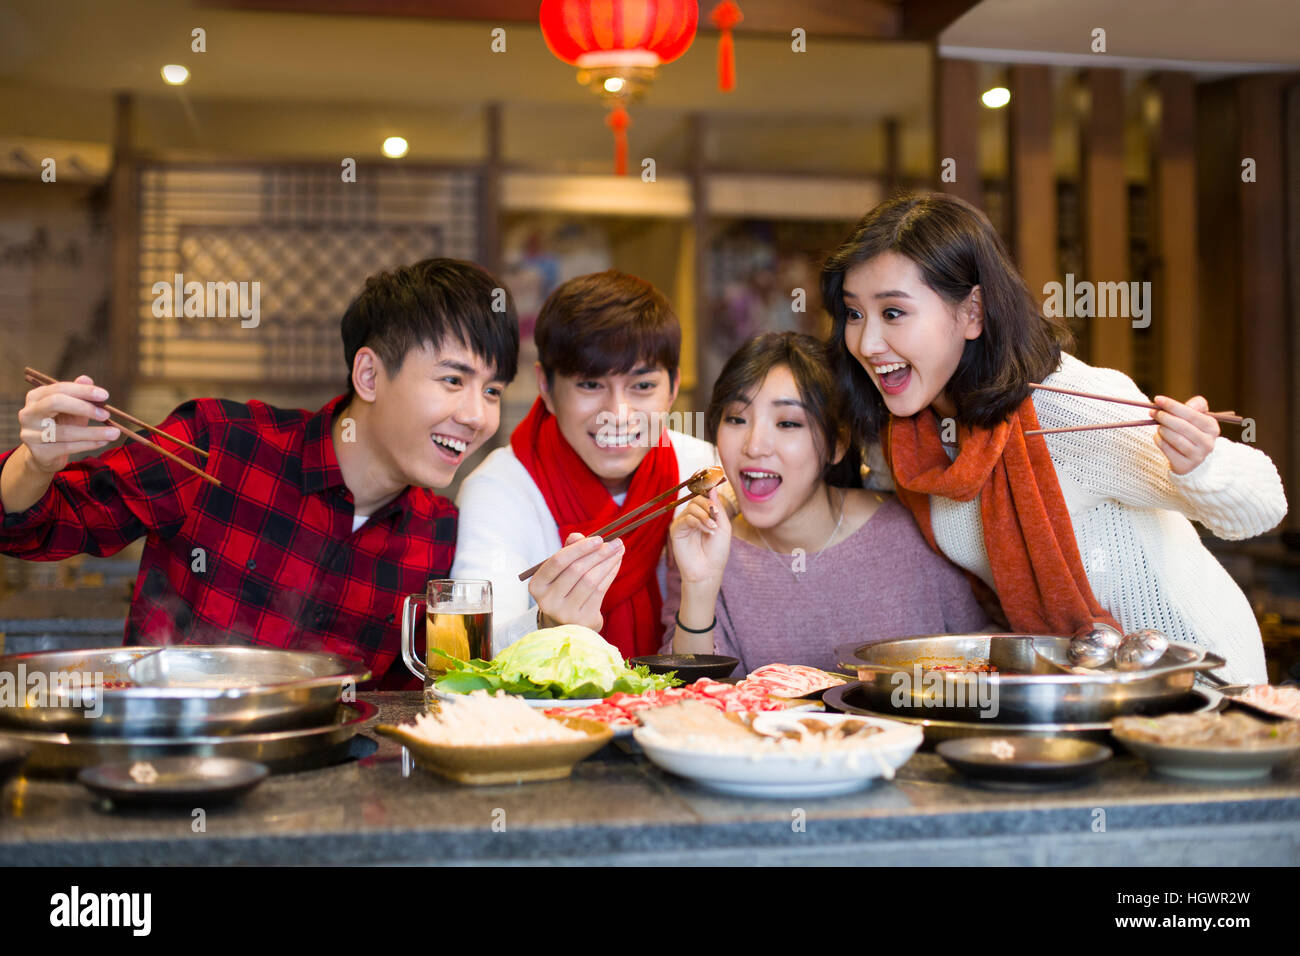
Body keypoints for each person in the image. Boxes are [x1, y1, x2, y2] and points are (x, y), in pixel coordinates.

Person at [822, 191, 1287, 685]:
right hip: (1081, 691)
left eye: (893, 312)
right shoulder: (909, 439)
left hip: (1199, 679)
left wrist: (1202, 462)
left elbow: (1265, 506)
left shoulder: (1067, 405)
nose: (867, 343)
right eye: (854, 314)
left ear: (973, 313)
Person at [0, 258, 518, 688]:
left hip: (336, 795)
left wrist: (559, 624)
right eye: (454, 379)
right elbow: (39, 526)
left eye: (493, 391)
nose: (477, 416)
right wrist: (37, 460)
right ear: (369, 375)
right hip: (173, 772)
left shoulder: (442, 533)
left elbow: (437, 700)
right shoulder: (218, 444)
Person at [662, 332, 988, 675]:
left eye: (788, 423)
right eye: (736, 419)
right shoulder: (705, 541)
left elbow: (980, 661)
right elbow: (690, 698)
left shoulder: (914, 529)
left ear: (838, 443)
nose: (754, 446)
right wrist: (699, 587)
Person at [452, 270, 716, 658]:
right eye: (590, 385)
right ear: (546, 386)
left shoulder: (702, 470)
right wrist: (545, 627)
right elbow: (470, 653)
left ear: (673, 386)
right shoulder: (499, 487)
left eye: (642, 386)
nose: (618, 414)